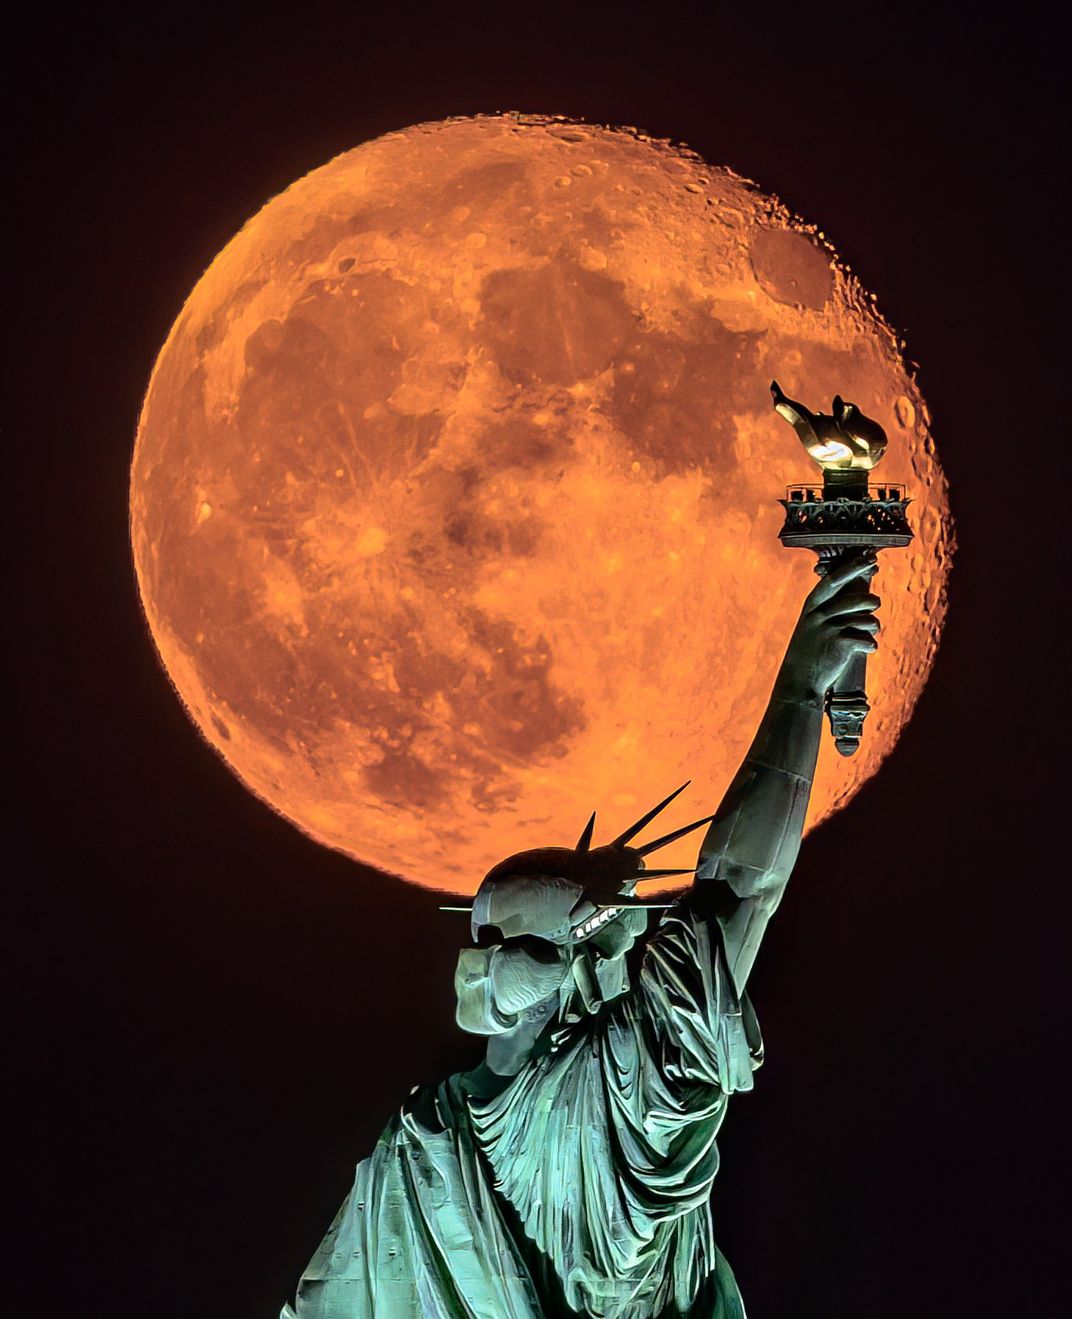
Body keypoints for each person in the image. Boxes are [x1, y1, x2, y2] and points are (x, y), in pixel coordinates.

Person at [281, 554, 880, 1319]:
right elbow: (740, 893)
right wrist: (799, 689)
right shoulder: (609, 1087)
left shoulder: (422, 1139)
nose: (629, 955)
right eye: (605, 939)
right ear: (549, 963)